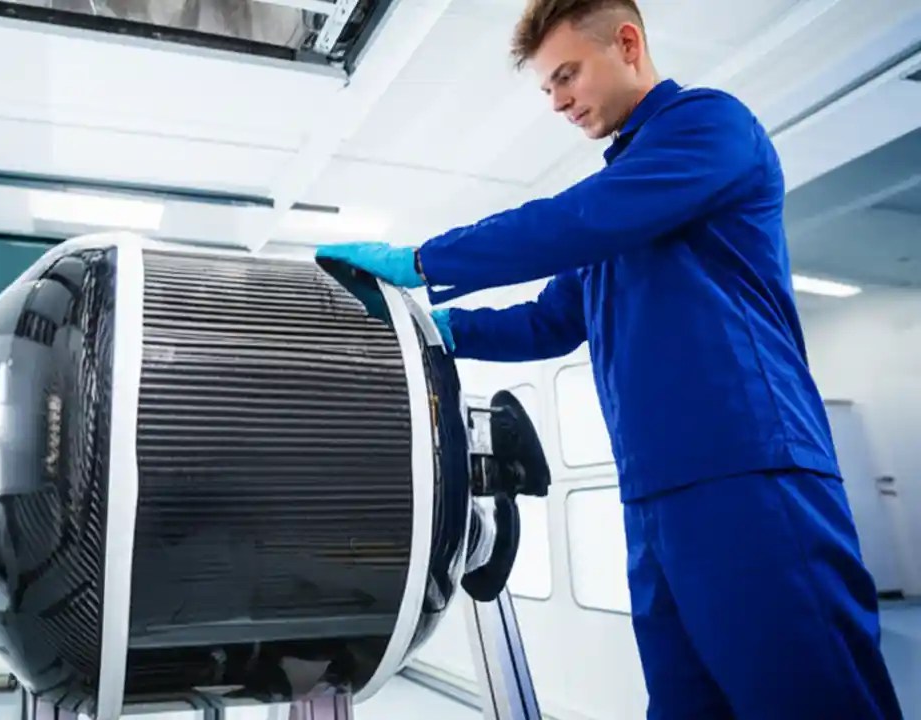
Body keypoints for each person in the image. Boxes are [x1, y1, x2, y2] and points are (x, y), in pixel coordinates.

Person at [315, 1, 904, 718]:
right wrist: (432, 328)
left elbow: (574, 220)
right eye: (547, 89)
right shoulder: (627, 199)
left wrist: (420, 259)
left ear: (627, 44)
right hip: (654, 492)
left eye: (567, 75)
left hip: (749, 474)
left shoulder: (708, 129)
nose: (559, 101)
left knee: (808, 697)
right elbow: (552, 321)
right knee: (688, 704)